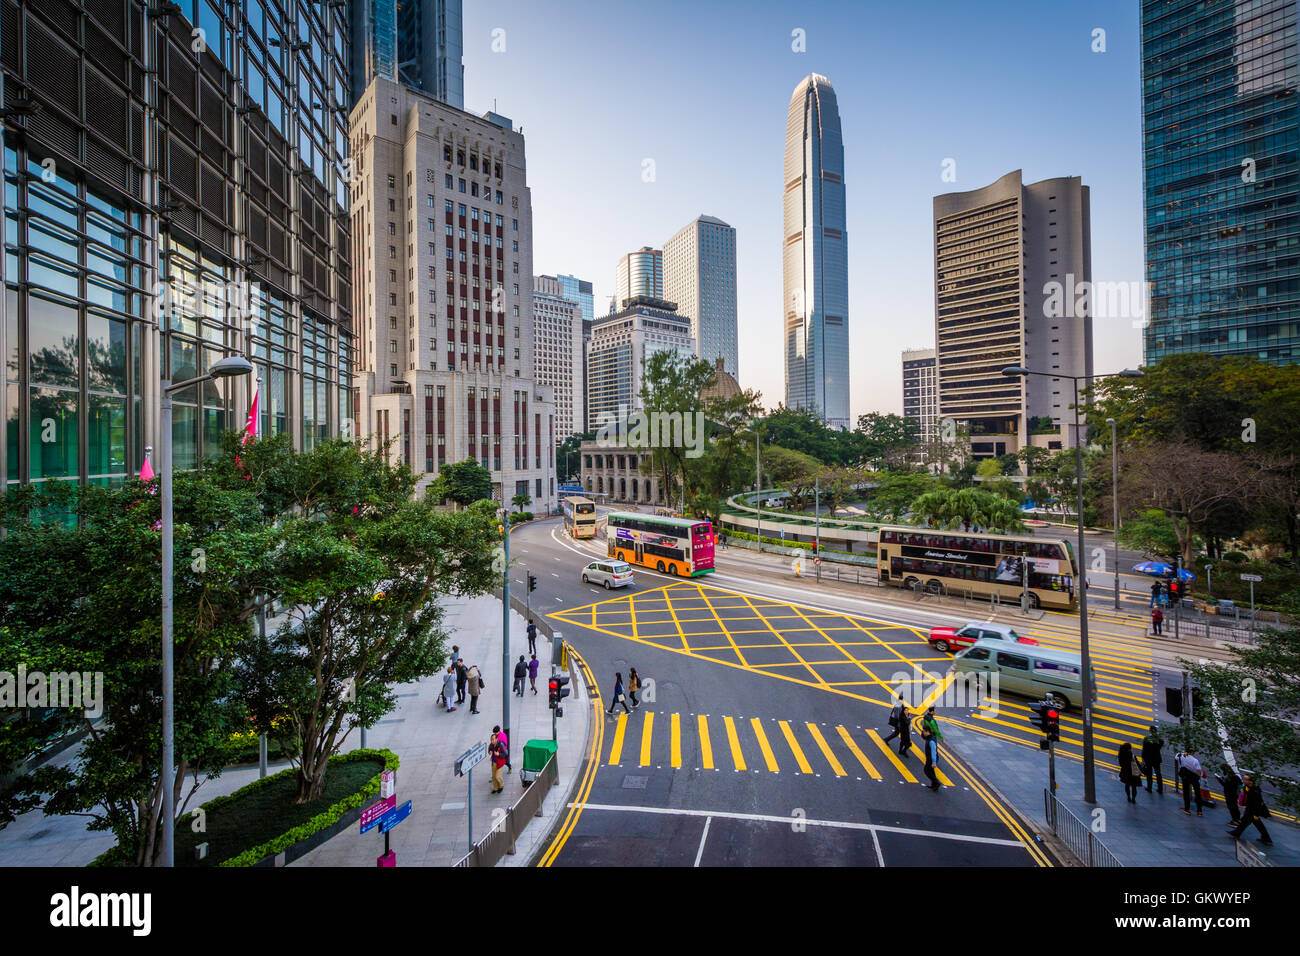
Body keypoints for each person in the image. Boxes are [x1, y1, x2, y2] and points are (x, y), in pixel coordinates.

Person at [1227, 773, 1273, 846]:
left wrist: (1256, 814)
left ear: (1251, 781)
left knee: (1246, 822)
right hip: (1250, 809)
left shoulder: (1255, 790)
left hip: (1253, 811)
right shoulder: (1247, 787)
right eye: (1244, 779)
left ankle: (1236, 833)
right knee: (1254, 824)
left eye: (1246, 779)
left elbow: (1258, 803)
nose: (1244, 780)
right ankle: (1266, 839)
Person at [1178, 748, 1207, 816]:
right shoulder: (1195, 761)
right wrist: (1201, 774)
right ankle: (1199, 811)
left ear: (1186, 751)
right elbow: (1199, 772)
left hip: (1185, 776)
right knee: (1197, 793)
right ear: (1193, 753)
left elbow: (1176, 756)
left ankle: (1187, 809)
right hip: (1194, 777)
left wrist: (1182, 752)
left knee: (1186, 792)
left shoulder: (1181, 756)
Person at [1141, 726, 1164, 793]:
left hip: (1148, 759)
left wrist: (1143, 758)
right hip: (1156, 758)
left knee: (1149, 774)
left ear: (1150, 731)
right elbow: (1161, 743)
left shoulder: (1146, 739)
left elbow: (1144, 750)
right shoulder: (1159, 740)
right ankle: (1160, 789)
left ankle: (1149, 788)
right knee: (1158, 773)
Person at [488, 728, 506, 794]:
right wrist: (489, 752)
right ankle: (495, 788)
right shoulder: (491, 745)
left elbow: (506, 754)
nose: (492, 741)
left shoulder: (501, 744)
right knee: (493, 777)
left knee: (497, 776)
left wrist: (499, 754)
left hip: (500, 763)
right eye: (491, 740)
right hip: (494, 763)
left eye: (493, 739)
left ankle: (501, 786)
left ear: (496, 739)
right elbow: (489, 749)